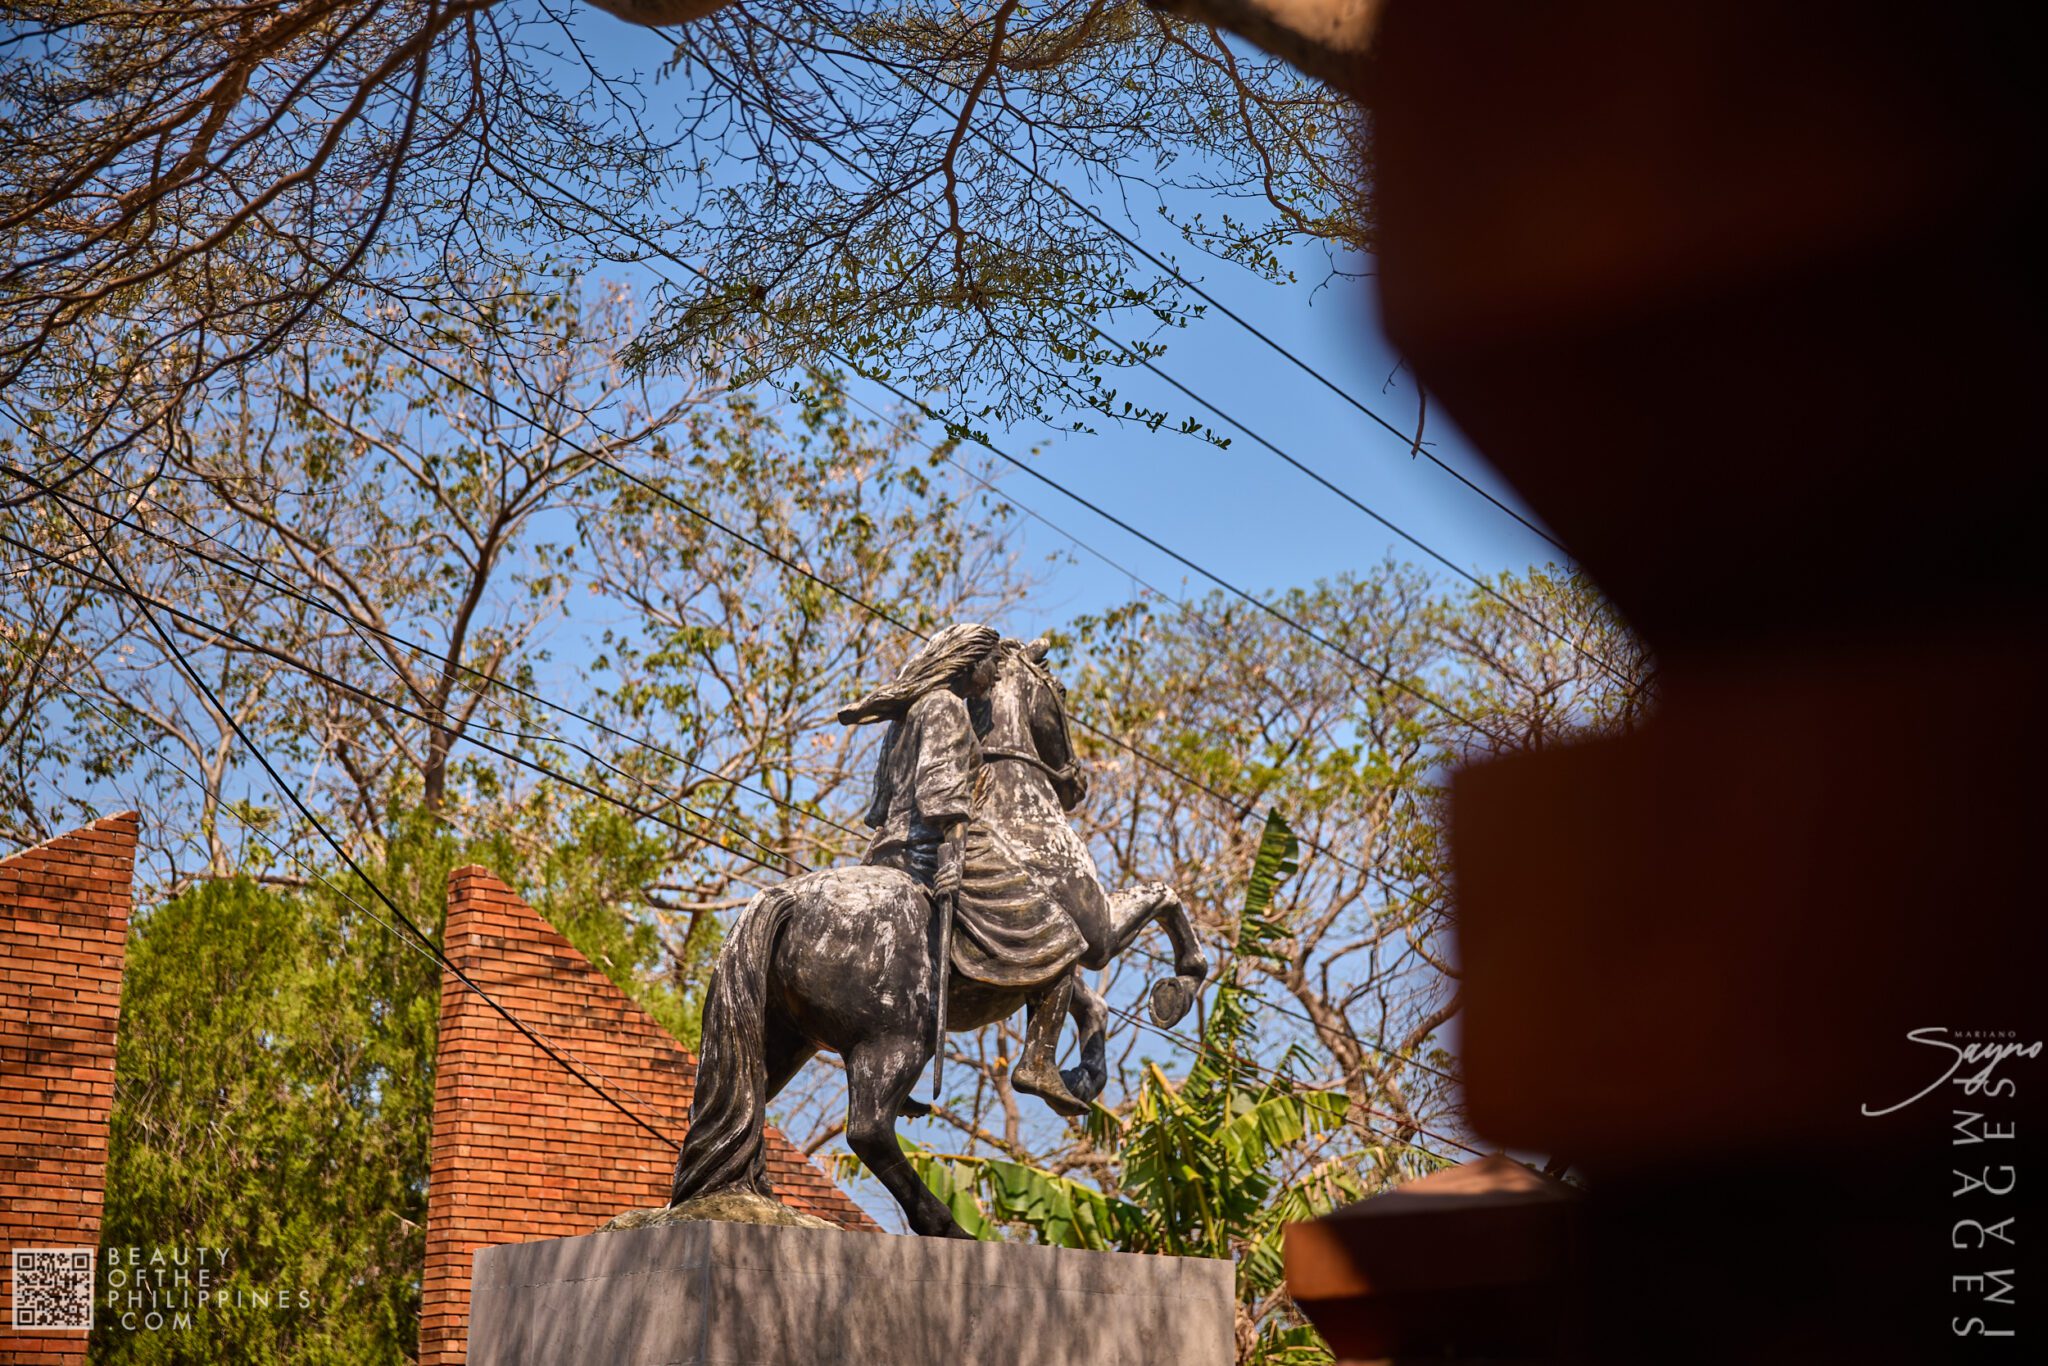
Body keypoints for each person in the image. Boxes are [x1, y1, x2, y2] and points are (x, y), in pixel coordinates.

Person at [839, 624, 1089, 1115]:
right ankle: (1039, 1060)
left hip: (886, 849)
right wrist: (954, 853)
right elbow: (941, 791)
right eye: (993, 662)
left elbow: (881, 805)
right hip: (936, 847)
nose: (997, 675)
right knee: (1063, 935)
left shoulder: (905, 715)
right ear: (968, 661)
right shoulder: (946, 706)